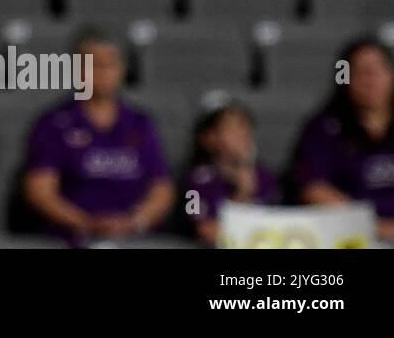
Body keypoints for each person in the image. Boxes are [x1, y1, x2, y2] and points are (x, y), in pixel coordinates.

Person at [21, 28, 174, 246]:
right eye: (93, 64)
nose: (102, 71)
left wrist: (134, 221)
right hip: (73, 239)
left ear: (121, 69)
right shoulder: (54, 123)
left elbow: (161, 188)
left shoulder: (140, 123)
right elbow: (40, 191)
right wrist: (88, 223)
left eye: (109, 63)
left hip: (133, 238)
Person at [291, 38, 394, 242]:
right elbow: (313, 188)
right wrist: (372, 225)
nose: (370, 79)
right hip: (349, 236)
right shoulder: (325, 127)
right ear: (345, 79)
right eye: (360, 72)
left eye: (377, 70)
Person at [183, 101, 279, 245]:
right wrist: (242, 194)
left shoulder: (265, 176)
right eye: (232, 128)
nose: (243, 134)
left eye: (245, 126)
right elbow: (205, 231)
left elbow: (281, 223)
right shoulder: (194, 185)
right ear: (209, 137)